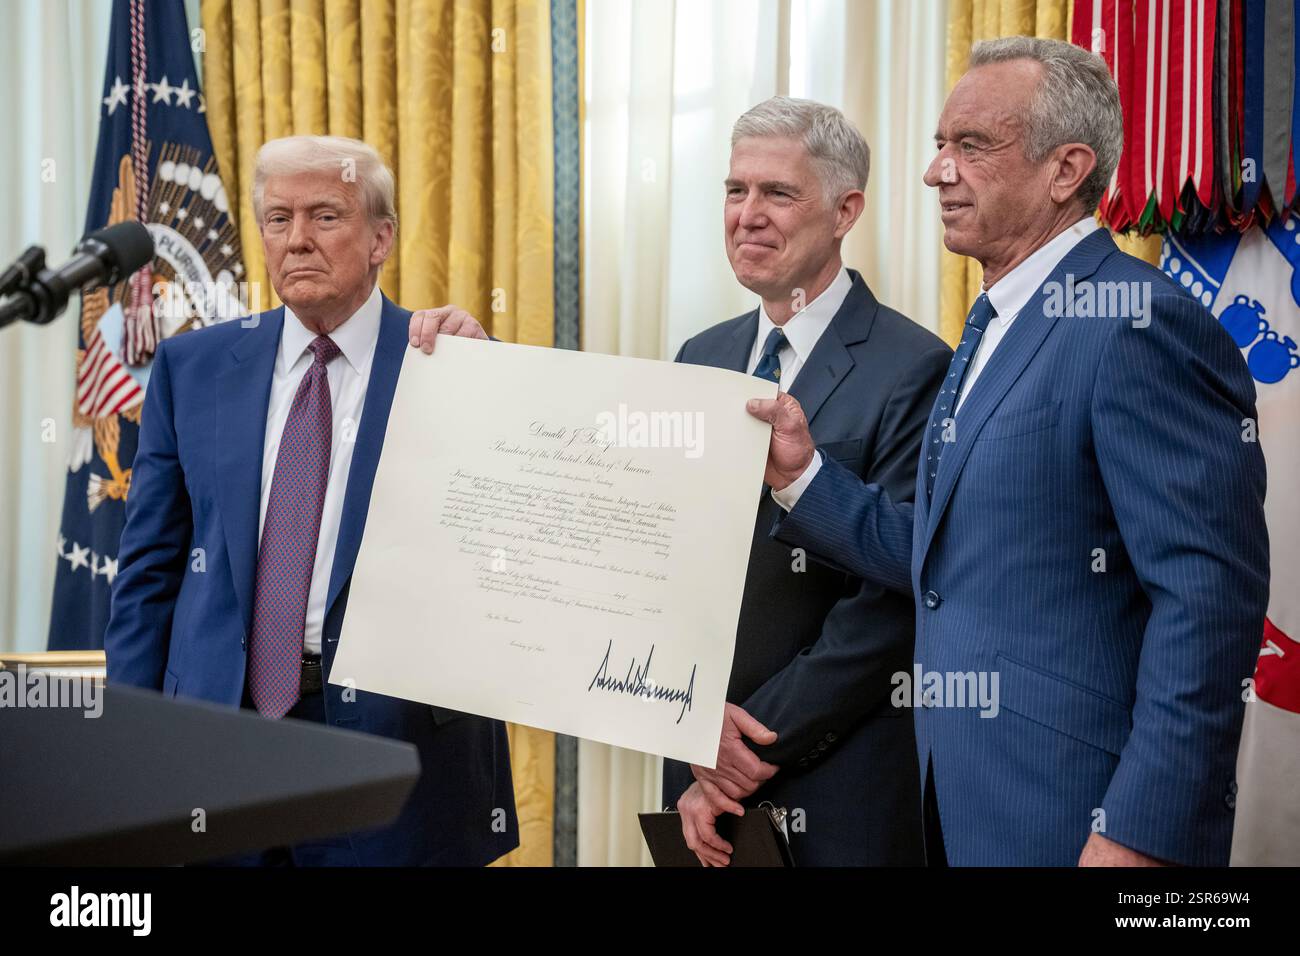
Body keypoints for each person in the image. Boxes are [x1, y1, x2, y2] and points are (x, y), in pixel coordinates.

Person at [748, 38, 1269, 866]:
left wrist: (1140, 829)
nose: (936, 173)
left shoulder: (1137, 321)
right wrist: (803, 476)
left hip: (1081, 819)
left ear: (1066, 171)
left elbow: (1209, 605)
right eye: (938, 145)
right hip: (960, 806)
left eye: (971, 147)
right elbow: (946, 557)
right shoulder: (996, 323)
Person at [105, 134, 518, 866]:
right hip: (217, 736)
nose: (297, 240)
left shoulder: (450, 361)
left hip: (397, 747)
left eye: (326, 216)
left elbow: (506, 556)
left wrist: (487, 385)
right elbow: (147, 575)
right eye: (277, 218)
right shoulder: (191, 367)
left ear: (381, 237)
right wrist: (130, 744)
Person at [666, 96, 950, 866]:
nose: (747, 215)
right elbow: (664, 558)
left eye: (778, 194)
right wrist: (687, 724)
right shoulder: (699, 354)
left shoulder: (917, 367)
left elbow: (895, 603)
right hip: (691, 774)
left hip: (834, 783)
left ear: (844, 209)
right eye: (735, 191)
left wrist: (744, 747)